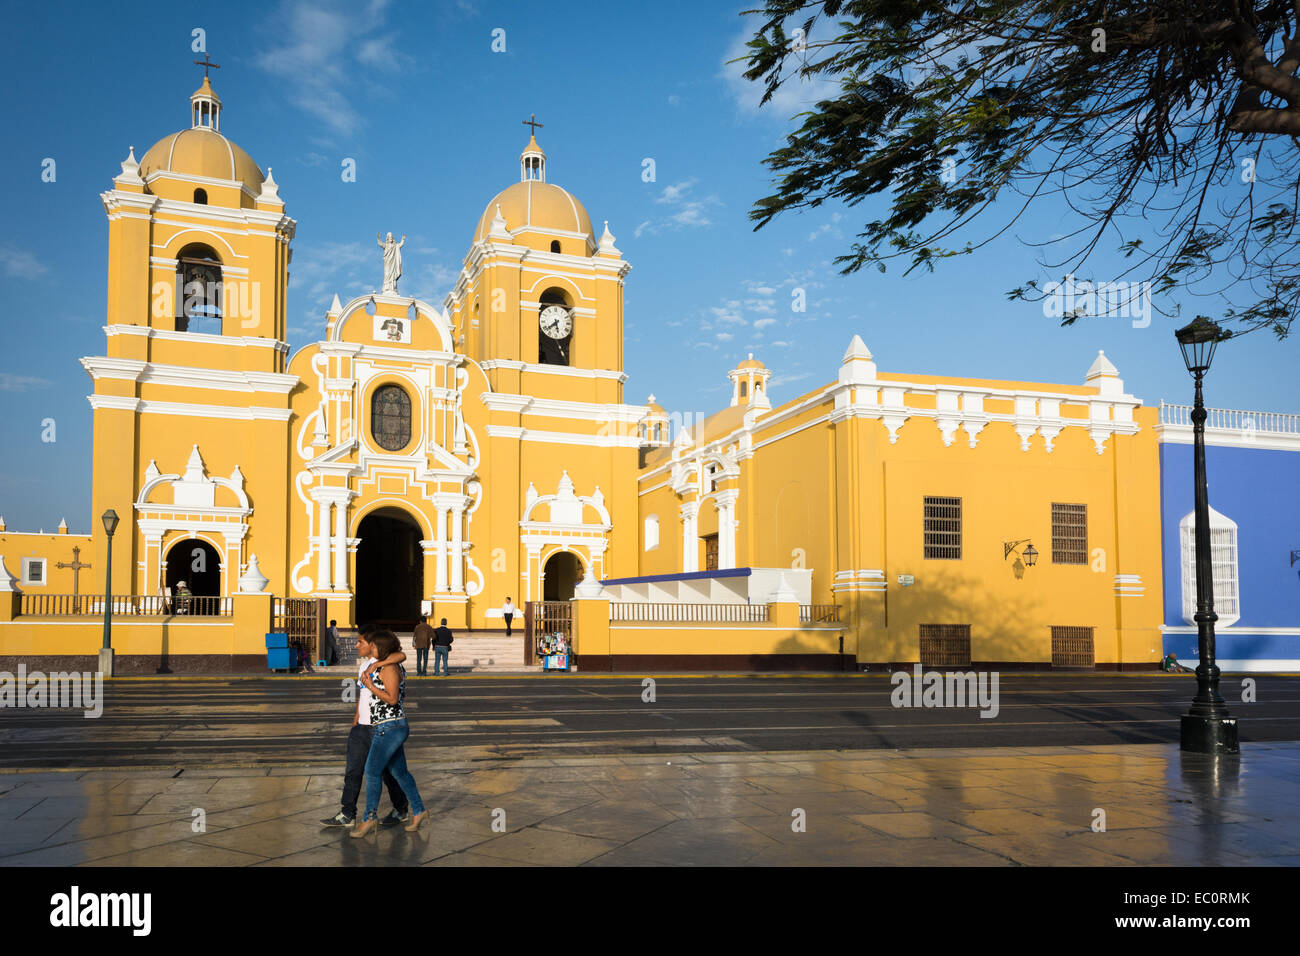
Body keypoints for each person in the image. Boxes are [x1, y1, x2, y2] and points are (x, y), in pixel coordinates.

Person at [321, 628, 411, 828]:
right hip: (362, 728)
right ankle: (347, 813)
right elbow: (362, 696)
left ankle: (401, 808)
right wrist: (356, 720)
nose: (356, 645)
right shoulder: (362, 666)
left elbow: (401, 654)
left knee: (389, 772)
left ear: (372, 645)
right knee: (353, 771)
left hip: (383, 728)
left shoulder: (387, 663)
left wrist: (378, 663)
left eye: (360, 642)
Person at [351, 629, 428, 837]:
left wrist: (370, 686)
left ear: (382, 648)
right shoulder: (382, 665)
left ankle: (369, 817)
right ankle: (419, 810)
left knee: (372, 771)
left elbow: (392, 699)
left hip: (391, 726)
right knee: (400, 773)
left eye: (374, 646)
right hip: (384, 726)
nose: (370, 648)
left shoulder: (390, 668)